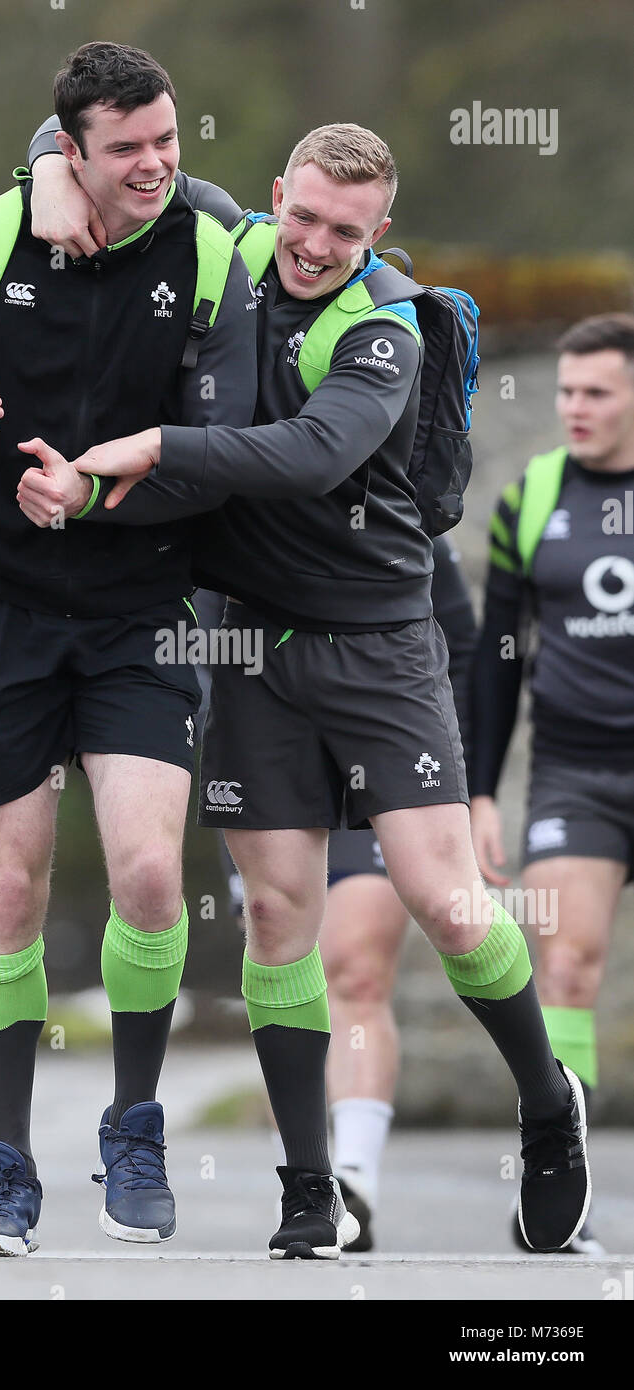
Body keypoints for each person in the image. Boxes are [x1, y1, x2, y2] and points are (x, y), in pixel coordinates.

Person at [19, 122, 591, 1260]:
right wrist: (46, 179)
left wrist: (144, 448)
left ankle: (544, 1103)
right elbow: (87, 133)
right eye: (306, 216)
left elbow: (306, 455)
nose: (318, 245)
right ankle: (309, 1190)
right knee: (279, 919)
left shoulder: (387, 326)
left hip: (380, 643)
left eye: (347, 229)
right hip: (251, 648)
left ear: (379, 232)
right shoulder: (226, 238)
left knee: (444, 897)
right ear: (276, 192)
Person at [0, 41, 257, 1256]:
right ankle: (4, 1171)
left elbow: (223, 447)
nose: (157, 167)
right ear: (69, 151)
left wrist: (91, 497)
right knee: (9, 892)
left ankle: (135, 1122)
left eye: (168, 142)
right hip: (1, 608)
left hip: (139, 607)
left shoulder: (212, 248)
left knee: (147, 876)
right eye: (126, 149)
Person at [470, 312, 634, 1256]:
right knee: (564, 966)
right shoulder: (530, 497)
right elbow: (496, 659)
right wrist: (483, 790)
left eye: (596, 392)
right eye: (566, 391)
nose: (573, 407)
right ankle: (561, 1179)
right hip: (575, 772)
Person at [322, 533, 477, 1251]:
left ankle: (351, 1175)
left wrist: (453, 782)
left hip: (379, 755)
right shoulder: (236, 481)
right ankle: (304, 1169)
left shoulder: (388, 499)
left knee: (354, 964)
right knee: (291, 963)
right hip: (265, 754)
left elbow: (465, 644)